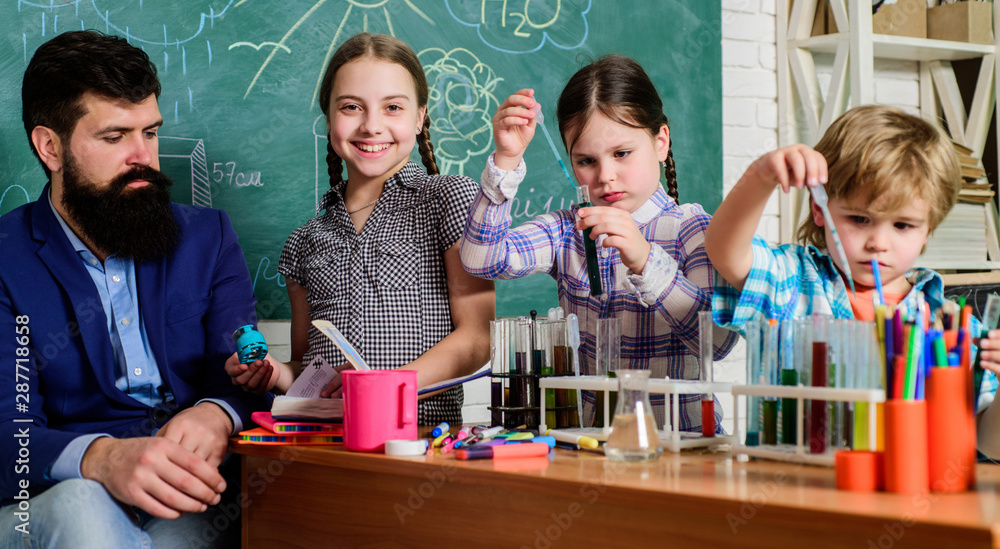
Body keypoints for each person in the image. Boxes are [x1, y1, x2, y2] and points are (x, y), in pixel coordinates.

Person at [0, 30, 270, 548]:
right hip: (56, 496)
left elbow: (244, 369)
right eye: (115, 136)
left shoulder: (208, 237)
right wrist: (101, 458)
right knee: (83, 507)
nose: (143, 156)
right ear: (49, 147)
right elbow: (10, 434)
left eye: (150, 132)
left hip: (189, 486)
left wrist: (219, 413)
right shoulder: (5, 260)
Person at [226, 33, 494, 425]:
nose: (371, 125)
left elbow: (476, 339)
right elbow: (308, 369)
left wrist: (385, 386)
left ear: (419, 117)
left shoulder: (450, 200)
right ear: (329, 118)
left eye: (392, 108)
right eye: (351, 107)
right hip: (324, 440)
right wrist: (275, 372)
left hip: (420, 438)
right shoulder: (304, 240)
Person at [459, 55, 738, 432]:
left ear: (660, 142)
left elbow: (719, 343)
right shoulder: (567, 230)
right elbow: (482, 260)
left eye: (622, 153)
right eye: (586, 160)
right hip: (591, 449)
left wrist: (645, 260)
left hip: (682, 452)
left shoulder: (692, 229)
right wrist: (506, 161)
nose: (605, 176)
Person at [705, 104, 1000, 459]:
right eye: (860, 219)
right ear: (820, 211)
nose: (878, 242)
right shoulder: (793, 282)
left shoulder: (949, 322)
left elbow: (988, 442)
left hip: (904, 499)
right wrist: (761, 175)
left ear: (928, 230)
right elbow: (725, 251)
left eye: (902, 225)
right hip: (794, 492)